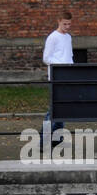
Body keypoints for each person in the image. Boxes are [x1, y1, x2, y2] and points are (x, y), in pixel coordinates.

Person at [41, 11, 73, 151]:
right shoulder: (52, 37)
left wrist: (71, 70)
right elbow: (46, 58)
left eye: (69, 24)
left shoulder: (68, 38)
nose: (67, 26)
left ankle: (57, 138)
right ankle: (43, 140)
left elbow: (69, 56)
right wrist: (61, 66)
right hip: (56, 76)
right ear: (59, 21)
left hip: (67, 76)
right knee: (53, 109)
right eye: (65, 24)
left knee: (63, 108)